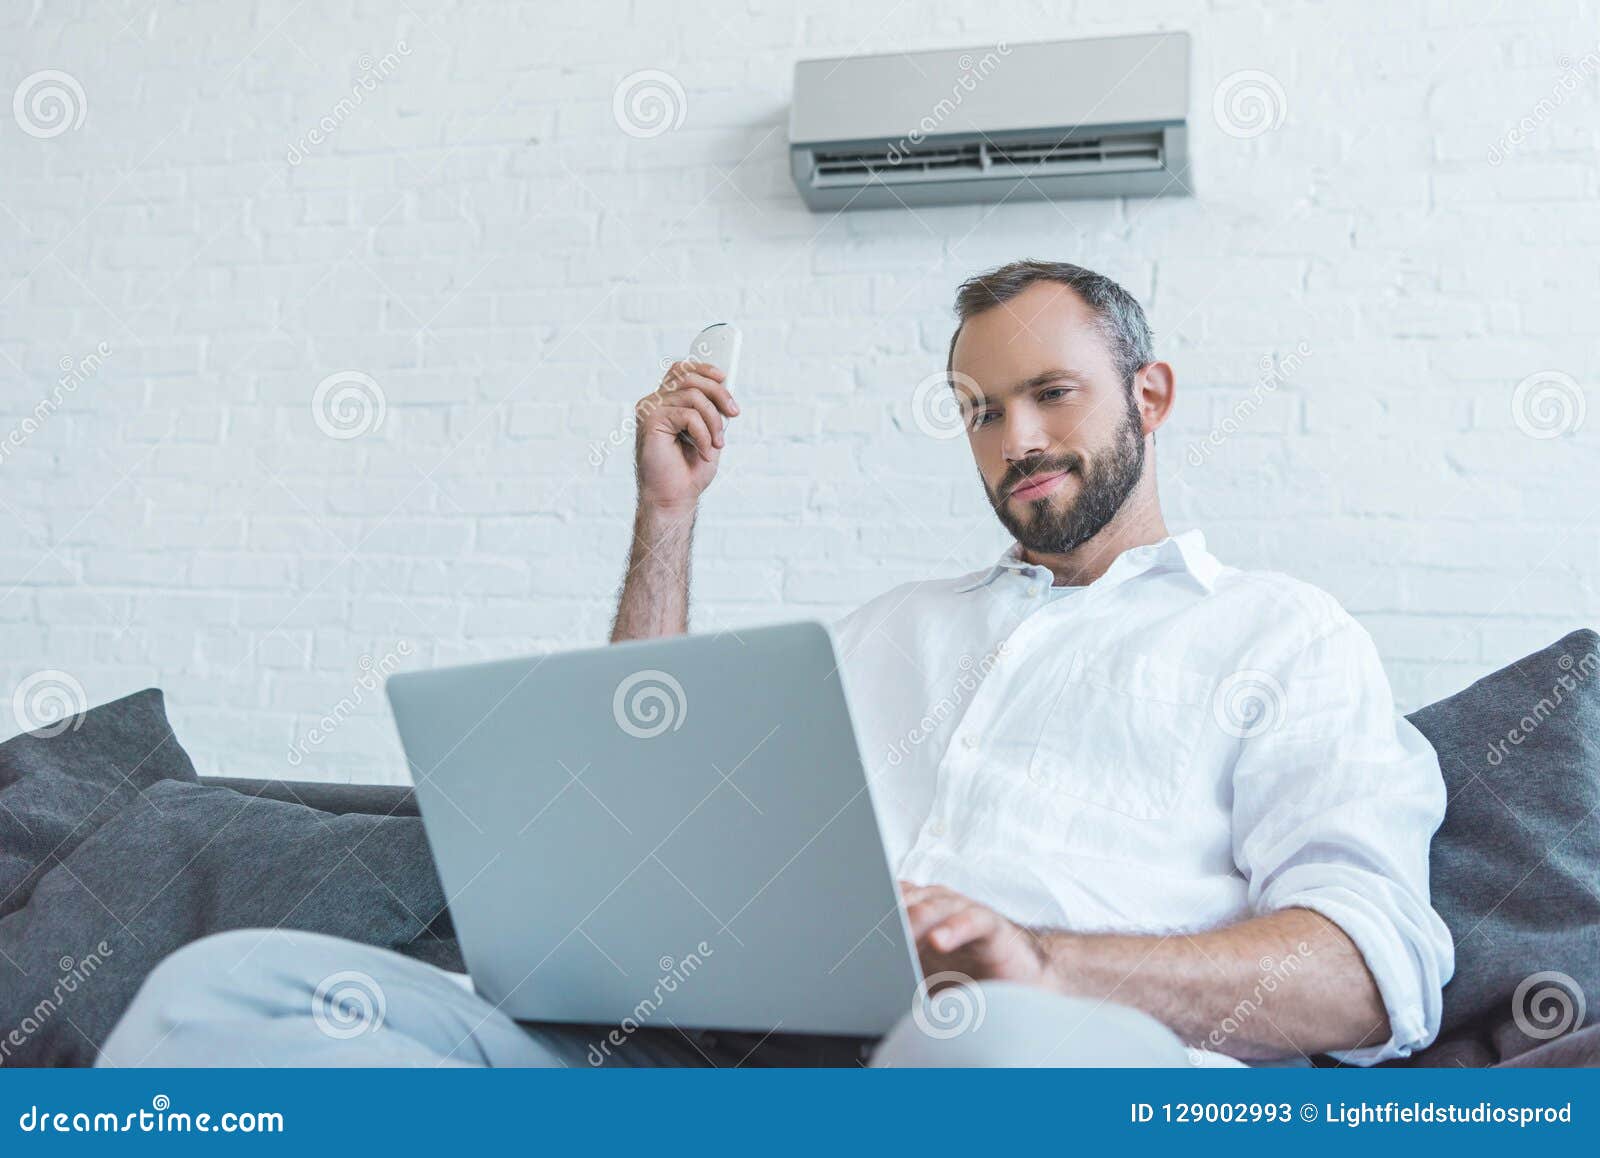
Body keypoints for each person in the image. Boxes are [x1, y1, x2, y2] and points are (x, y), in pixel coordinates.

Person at [102, 260, 1452, 1068]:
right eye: (981, 412)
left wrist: (1045, 961)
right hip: (712, 1055)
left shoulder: (1281, 633)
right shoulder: (884, 630)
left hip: (1030, 1054)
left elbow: (1372, 971)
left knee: (980, 1038)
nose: (1015, 439)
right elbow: (636, 794)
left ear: (1147, 399)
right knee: (231, 987)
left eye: (1053, 395)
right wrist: (667, 519)